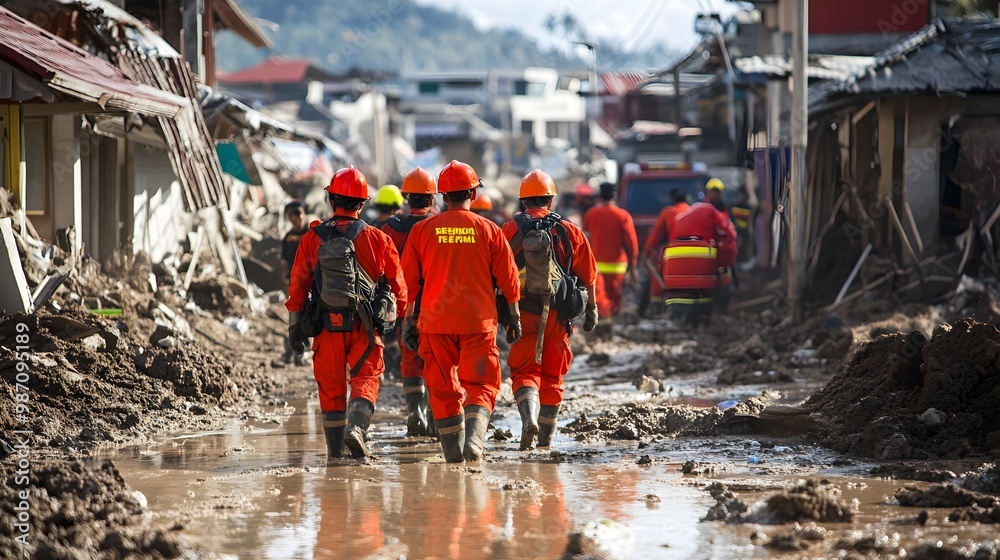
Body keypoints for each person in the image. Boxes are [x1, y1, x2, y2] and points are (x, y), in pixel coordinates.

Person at [400, 160, 521, 463]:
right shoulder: (490, 230)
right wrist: (515, 316)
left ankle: (453, 455)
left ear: (442, 196)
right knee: (480, 384)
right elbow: (509, 280)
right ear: (473, 193)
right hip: (477, 322)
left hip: (435, 321)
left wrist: (407, 320)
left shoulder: (422, 230)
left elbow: (409, 283)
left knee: (441, 388)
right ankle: (475, 442)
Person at [286, 166, 408, 460]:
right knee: (365, 379)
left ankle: (334, 455)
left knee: (330, 388)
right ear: (363, 204)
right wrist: (399, 320)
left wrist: (294, 328)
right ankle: (357, 428)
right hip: (365, 328)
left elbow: (298, 287)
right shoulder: (380, 239)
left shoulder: (311, 238)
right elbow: (399, 287)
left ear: (331, 199)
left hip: (327, 326)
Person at [502, 170, 598, 450]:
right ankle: (545, 439)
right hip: (558, 314)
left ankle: (528, 419)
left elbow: (494, 270)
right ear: (551, 200)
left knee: (523, 370)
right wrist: (592, 309)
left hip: (521, 311)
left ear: (523, 202)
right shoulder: (570, 231)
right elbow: (589, 275)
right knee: (553, 374)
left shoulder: (509, 229)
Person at [381, 167, 437, 437]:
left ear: (406, 198)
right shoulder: (439, 225)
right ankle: (437, 415)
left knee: (410, 359)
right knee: (439, 360)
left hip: (404, 304)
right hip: (437, 305)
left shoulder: (391, 228)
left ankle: (415, 411)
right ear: (433, 199)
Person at [662, 178, 737, 326]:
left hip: (673, 264)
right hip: (702, 260)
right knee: (709, 288)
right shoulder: (713, 212)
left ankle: (682, 320)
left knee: (682, 294)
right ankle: (707, 317)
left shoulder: (686, 214)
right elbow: (728, 236)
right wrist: (725, 262)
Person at [582, 182, 638, 318]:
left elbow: (585, 240)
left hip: (597, 265)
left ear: (600, 196)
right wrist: (632, 267)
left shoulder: (590, 214)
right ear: (615, 196)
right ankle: (611, 323)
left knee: (599, 298)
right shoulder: (623, 215)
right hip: (617, 266)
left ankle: (602, 324)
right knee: (614, 299)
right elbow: (631, 244)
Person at [640, 190, 690, 315]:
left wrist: (645, 255)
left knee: (658, 271)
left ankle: (654, 307)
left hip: (673, 253)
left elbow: (654, 238)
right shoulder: (693, 211)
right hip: (696, 253)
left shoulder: (668, 212)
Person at [281, 201, 310, 365]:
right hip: (295, 283)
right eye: (292, 214)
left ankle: (307, 348)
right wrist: (286, 276)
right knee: (295, 315)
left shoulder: (311, 233)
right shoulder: (289, 237)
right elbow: (285, 261)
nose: (296, 217)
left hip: (310, 283)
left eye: (298, 213)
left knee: (309, 314)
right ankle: (297, 348)